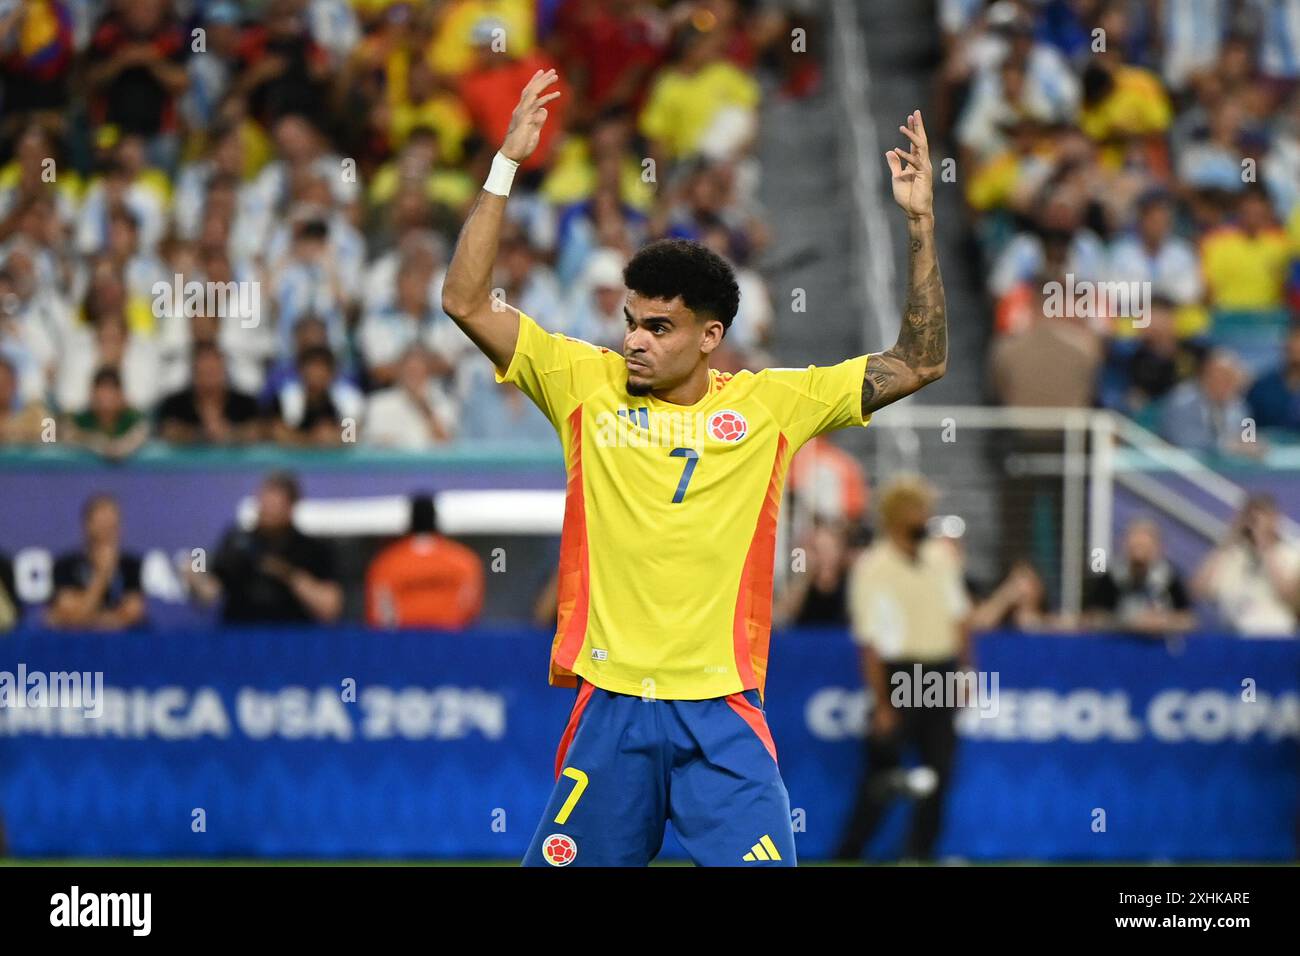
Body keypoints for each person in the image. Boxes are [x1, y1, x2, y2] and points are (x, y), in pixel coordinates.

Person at [440, 71, 948, 866]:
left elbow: (921, 361)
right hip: (610, 710)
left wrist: (920, 225)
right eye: (631, 321)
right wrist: (506, 166)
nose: (635, 340)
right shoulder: (582, 384)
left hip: (721, 714)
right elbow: (466, 302)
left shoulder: (774, 406)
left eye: (660, 327)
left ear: (710, 337)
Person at [835, 476, 971, 862]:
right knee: (882, 774)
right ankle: (849, 852)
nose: (925, 515)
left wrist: (966, 671)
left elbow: (960, 617)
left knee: (940, 771)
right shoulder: (873, 566)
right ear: (896, 514)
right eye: (918, 507)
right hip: (899, 674)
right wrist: (881, 703)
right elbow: (870, 641)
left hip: (940, 671)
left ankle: (919, 853)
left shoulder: (942, 557)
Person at [189, 472, 342, 625]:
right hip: (241, 637)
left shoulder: (310, 549)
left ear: (290, 507)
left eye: (275, 505)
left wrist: (287, 573)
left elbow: (330, 609)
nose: (267, 510)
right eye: (263, 503)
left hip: (294, 638)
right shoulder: (237, 541)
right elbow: (209, 592)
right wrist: (195, 573)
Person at [365, 495, 485, 629]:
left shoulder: (386, 562)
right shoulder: (464, 560)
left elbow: (380, 613)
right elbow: (470, 607)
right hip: (450, 642)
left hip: (403, 644)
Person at [1193, 494, 1300, 636]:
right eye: (1250, 518)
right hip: (1236, 639)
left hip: (1278, 638)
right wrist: (1229, 538)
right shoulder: (1231, 554)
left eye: (1263, 517)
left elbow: (1290, 598)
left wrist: (1265, 544)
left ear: (1275, 520)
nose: (1255, 524)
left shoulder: (1291, 553)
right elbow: (1197, 591)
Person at [46, 494, 147, 632]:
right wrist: (102, 575)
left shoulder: (130, 565)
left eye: (113, 526)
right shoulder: (65, 565)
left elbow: (133, 613)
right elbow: (71, 614)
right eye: (102, 525)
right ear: (87, 525)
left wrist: (86, 620)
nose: (108, 532)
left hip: (121, 646)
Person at [1083, 518, 1196, 634]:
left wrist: (1164, 622)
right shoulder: (1111, 577)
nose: (1140, 557)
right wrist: (1129, 623)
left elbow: (1188, 619)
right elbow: (1092, 617)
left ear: (1158, 549)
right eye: (1135, 547)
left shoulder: (1169, 576)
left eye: (1145, 548)